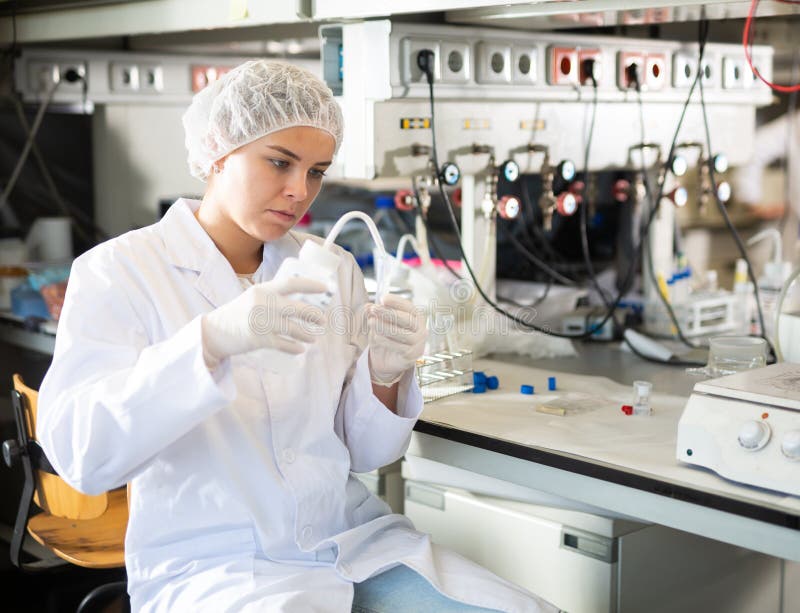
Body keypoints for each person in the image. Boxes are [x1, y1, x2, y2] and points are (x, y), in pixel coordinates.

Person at [37, 60, 556, 613]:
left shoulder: (331, 269)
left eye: (316, 172)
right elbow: (83, 456)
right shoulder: (121, 271)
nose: (298, 191)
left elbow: (365, 453)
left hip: (354, 544)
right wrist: (211, 343)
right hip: (219, 568)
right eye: (280, 162)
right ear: (217, 150)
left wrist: (384, 376)